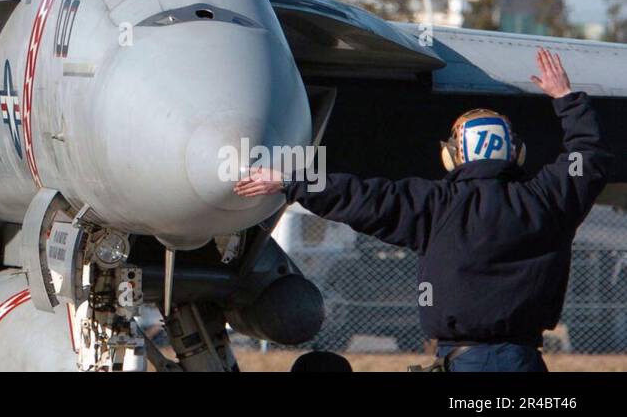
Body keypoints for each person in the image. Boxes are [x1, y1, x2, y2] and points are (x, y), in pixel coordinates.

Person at [235, 49, 613, 372]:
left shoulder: (431, 205)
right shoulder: (546, 200)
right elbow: (589, 156)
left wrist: (292, 181)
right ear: (516, 153)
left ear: (452, 156)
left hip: (461, 359)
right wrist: (565, 97)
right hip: (525, 359)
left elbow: (357, 195)